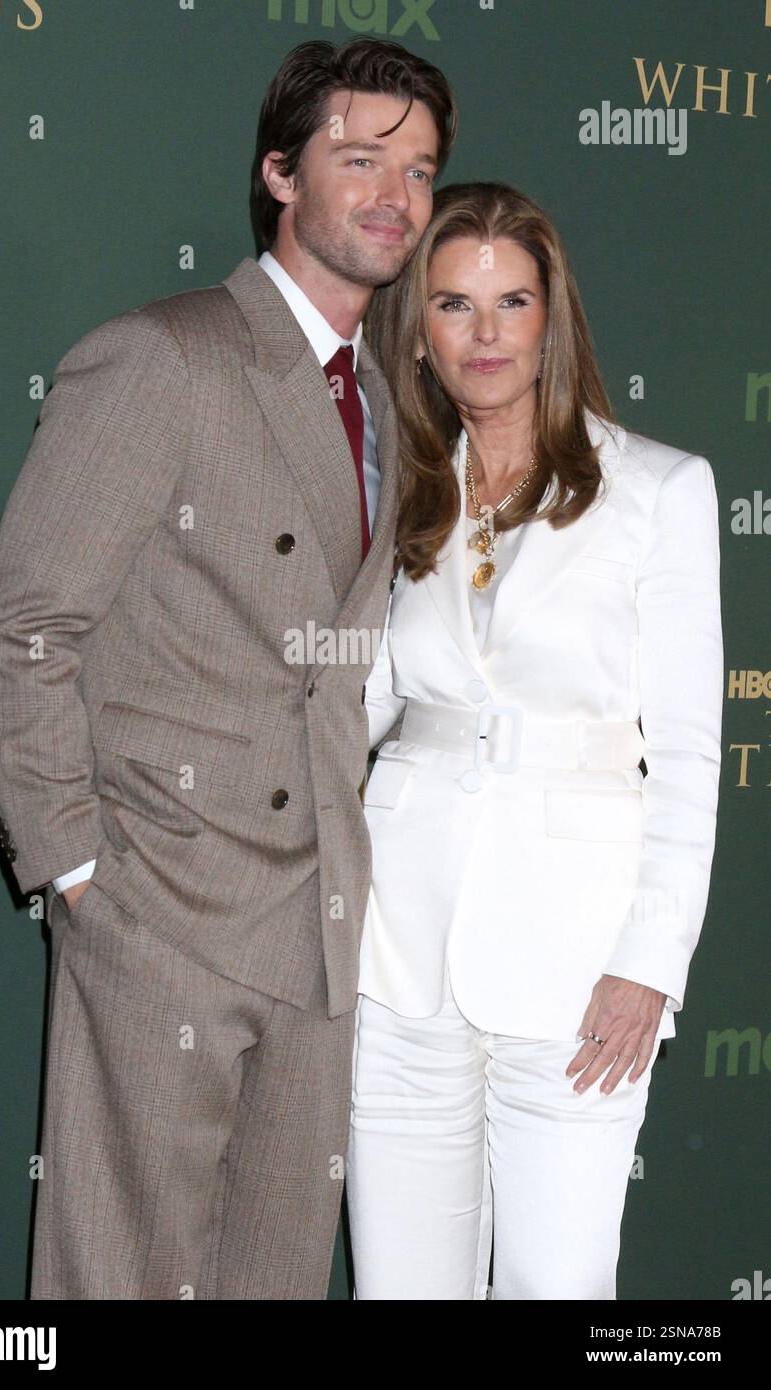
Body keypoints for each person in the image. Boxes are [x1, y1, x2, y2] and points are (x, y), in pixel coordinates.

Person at [0, 38, 457, 1300]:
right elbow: (24, 628)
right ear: (280, 173)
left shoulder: (395, 404)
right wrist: (81, 873)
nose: (395, 194)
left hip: (320, 927)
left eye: (417, 168)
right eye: (361, 160)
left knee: (275, 1278)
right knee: (118, 1281)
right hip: (164, 909)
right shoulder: (163, 357)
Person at [346, 182, 723, 1300]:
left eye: (510, 302)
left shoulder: (658, 490)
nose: (485, 333)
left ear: (550, 318)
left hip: (578, 972)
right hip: (397, 956)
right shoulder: (398, 490)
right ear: (417, 325)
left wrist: (649, 962)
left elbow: (690, 754)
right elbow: (352, 710)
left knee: (557, 1286)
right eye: (454, 305)